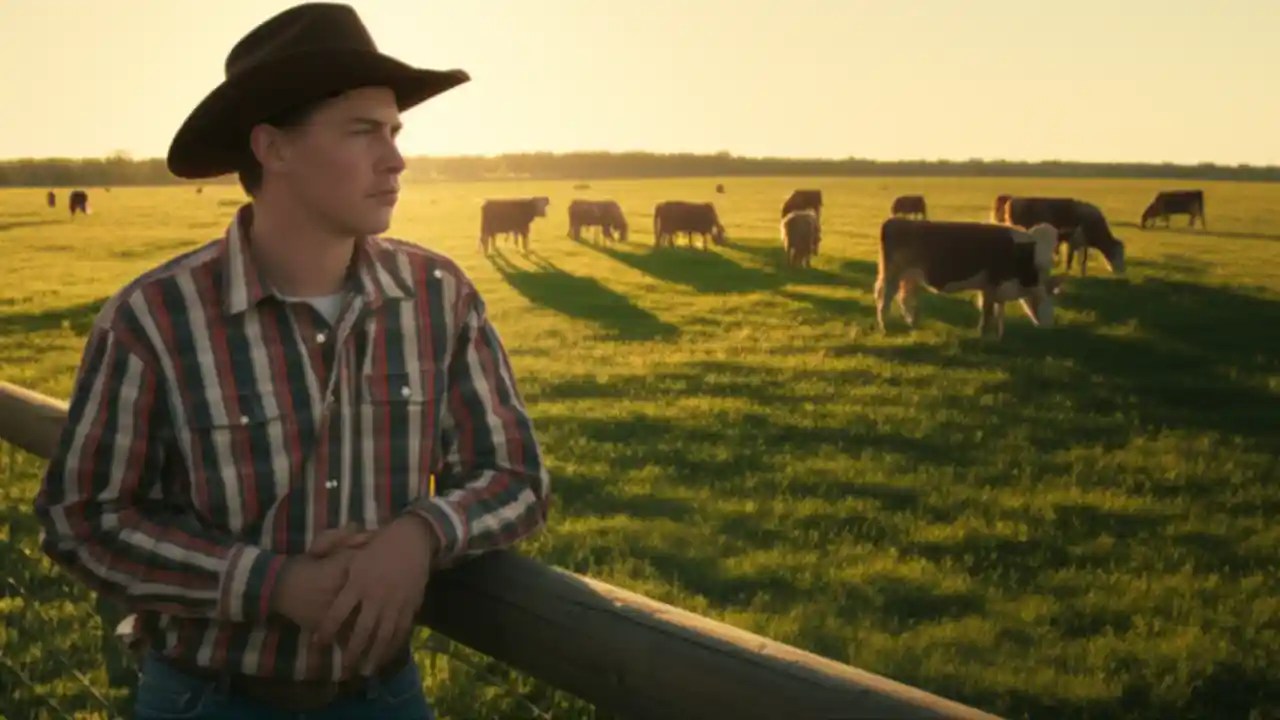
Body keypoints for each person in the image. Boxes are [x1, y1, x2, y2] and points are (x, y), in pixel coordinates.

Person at [32, 4, 551, 718]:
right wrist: (273, 584)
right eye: (365, 132)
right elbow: (84, 522)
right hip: (207, 698)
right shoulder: (155, 318)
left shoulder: (439, 298)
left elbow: (515, 476)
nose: (396, 158)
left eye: (395, 132)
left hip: (386, 696)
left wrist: (419, 534)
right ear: (273, 149)